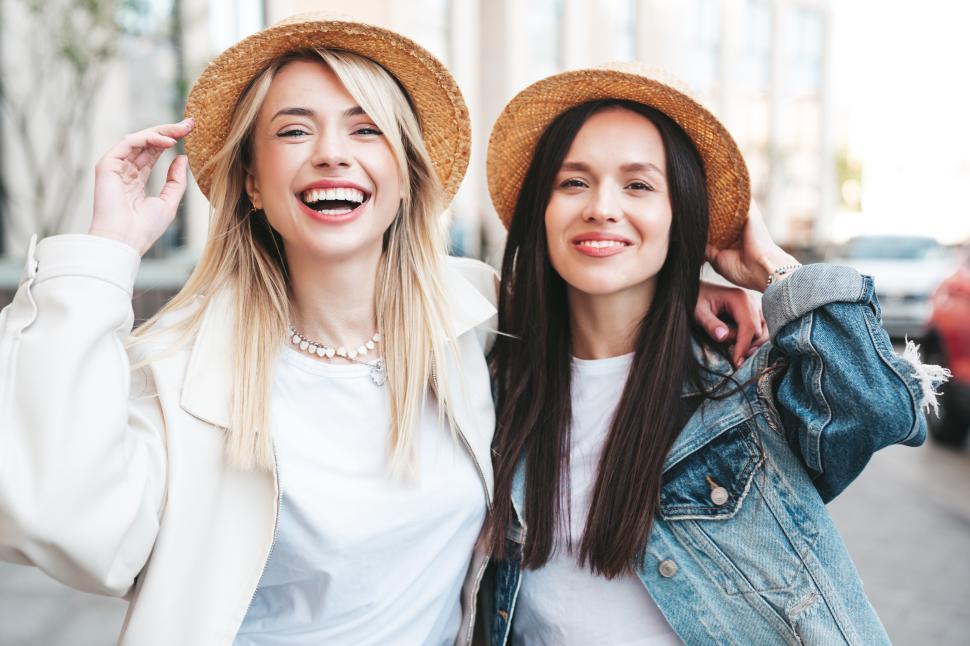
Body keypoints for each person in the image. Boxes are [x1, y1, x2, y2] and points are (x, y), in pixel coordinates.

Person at [0, 15, 767, 646]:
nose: (333, 152)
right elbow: (66, 527)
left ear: (405, 176)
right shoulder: (180, 366)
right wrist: (101, 259)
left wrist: (690, 284)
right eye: (295, 131)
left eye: (366, 130)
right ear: (254, 185)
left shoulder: (476, 317)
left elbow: (600, 290)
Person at [483, 63, 948, 646]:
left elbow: (876, 407)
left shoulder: (742, 392)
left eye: (639, 185)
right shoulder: (491, 390)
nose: (601, 207)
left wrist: (770, 270)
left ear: (682, 217)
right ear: (540, 211)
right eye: (572, 182)